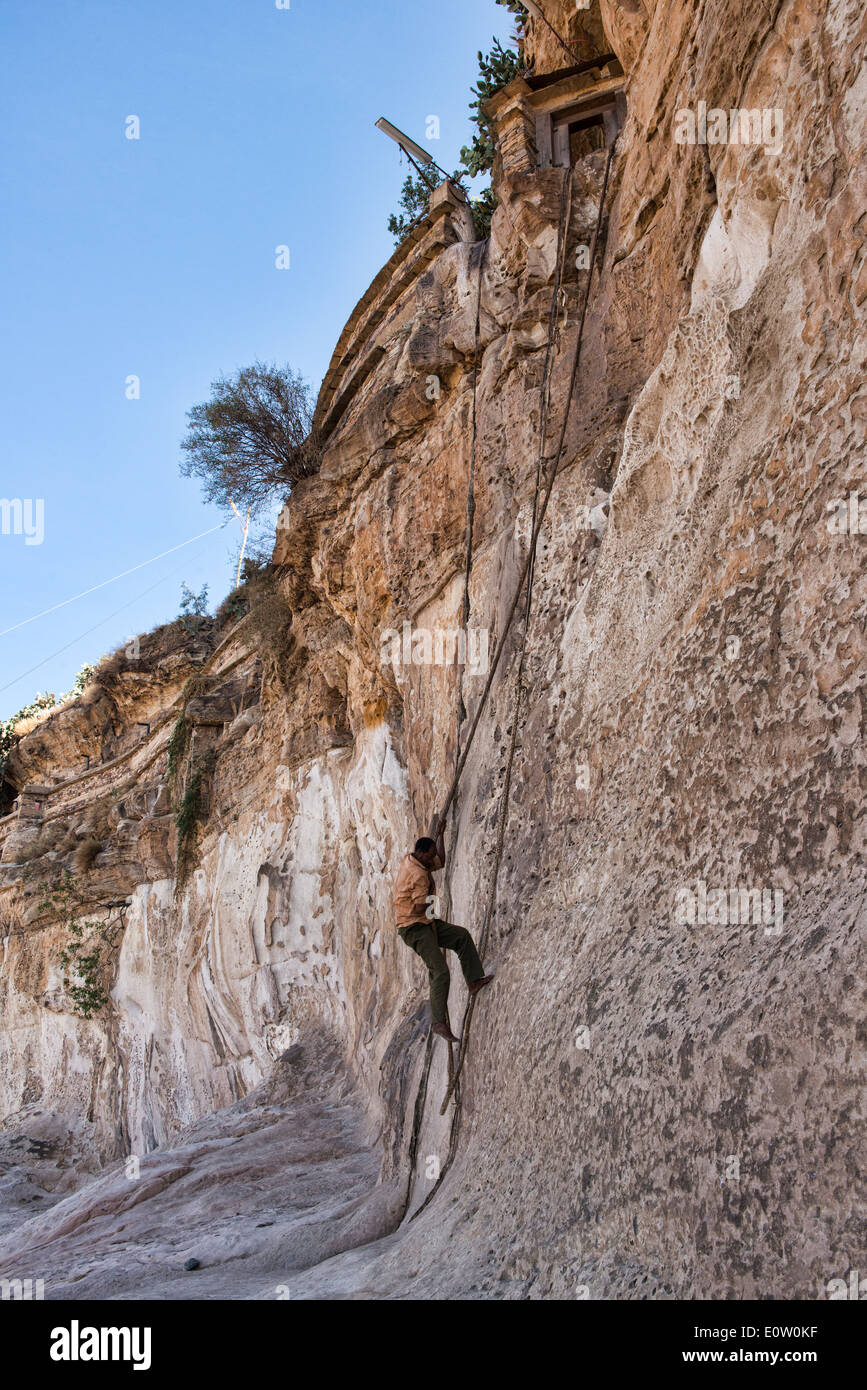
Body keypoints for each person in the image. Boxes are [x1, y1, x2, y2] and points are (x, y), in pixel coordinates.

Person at [393, 818, 494, 1042]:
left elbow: (441, 860)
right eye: (429, 857)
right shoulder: (418, 874)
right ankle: (438, 1023)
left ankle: (474, 980)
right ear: (421, 854)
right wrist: (436, 904)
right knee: (439, 971)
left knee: (461, 936)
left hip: (425, 920)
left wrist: (440, 835)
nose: (432, 860)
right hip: (414, 927)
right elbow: (420, 906)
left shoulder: (413, 859)